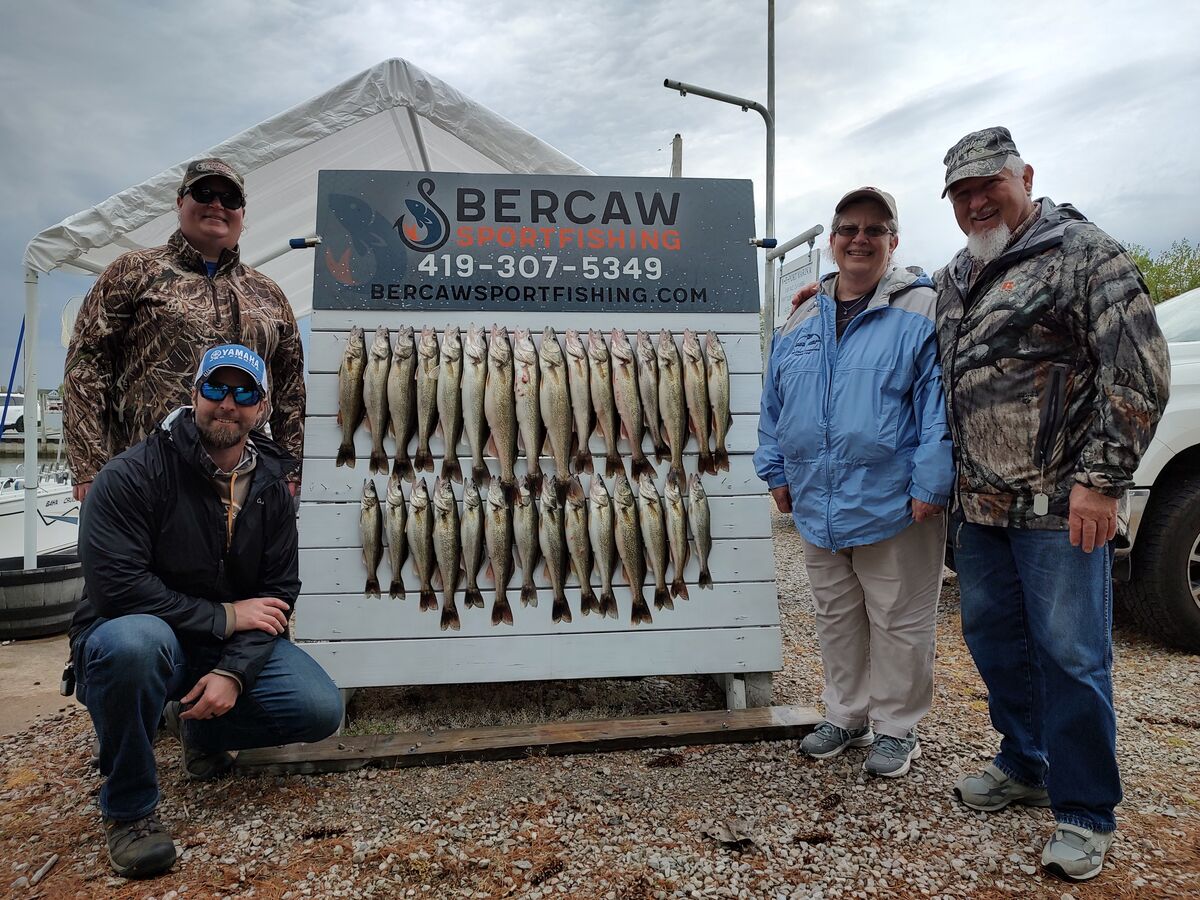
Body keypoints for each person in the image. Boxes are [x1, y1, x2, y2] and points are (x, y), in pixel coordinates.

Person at [934, 127, 1170, 882]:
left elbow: (1139, 371)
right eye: (961, 194)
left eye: (988, 186)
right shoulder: (957, 275)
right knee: (994, 644)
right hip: (981, 511)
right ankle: (1025, 761)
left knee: (1072, 655)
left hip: (1060, 509)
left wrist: (1101, 483)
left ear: (1024, 176)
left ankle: (1085, 810)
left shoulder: (1083, 253)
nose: (976, 202)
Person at [68, 343, 343, 879]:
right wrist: (223, 617)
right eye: (216, 388)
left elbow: (278, 592)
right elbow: (116, 588)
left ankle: (201, 731)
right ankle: (129, 810)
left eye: (245, 393)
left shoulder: (271, 485)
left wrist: (233, 672)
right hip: (137, 633)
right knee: (134, 646)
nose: (228, 404)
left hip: (212, 647)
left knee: (319, 707)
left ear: (262, 408)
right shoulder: (132, 474)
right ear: (194, 394)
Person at [756, 187, 954, 778]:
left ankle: (897, 727)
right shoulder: (803, 311)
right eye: (848, 228)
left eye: (875, 228)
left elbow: (938, 403)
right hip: (819, 497)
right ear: (832, 240)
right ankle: (846, 714)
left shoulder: (923, 308)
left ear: (895, 241)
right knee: (837, 614)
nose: (860, 239)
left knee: (900, 618)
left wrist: (931, 482)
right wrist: (776, 468)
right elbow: (775, 397)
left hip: (896, 500)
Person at [64, 157, 306, 502]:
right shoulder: (133, 272)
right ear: (180, 202)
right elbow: (86, 367)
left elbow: (290, 388)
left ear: (242, 212)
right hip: (143, 479)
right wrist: (89, 468)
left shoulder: (268, 293)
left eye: (230, 199)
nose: (217, 205)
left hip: (240, 484)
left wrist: (289, 468)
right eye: (204, 193)